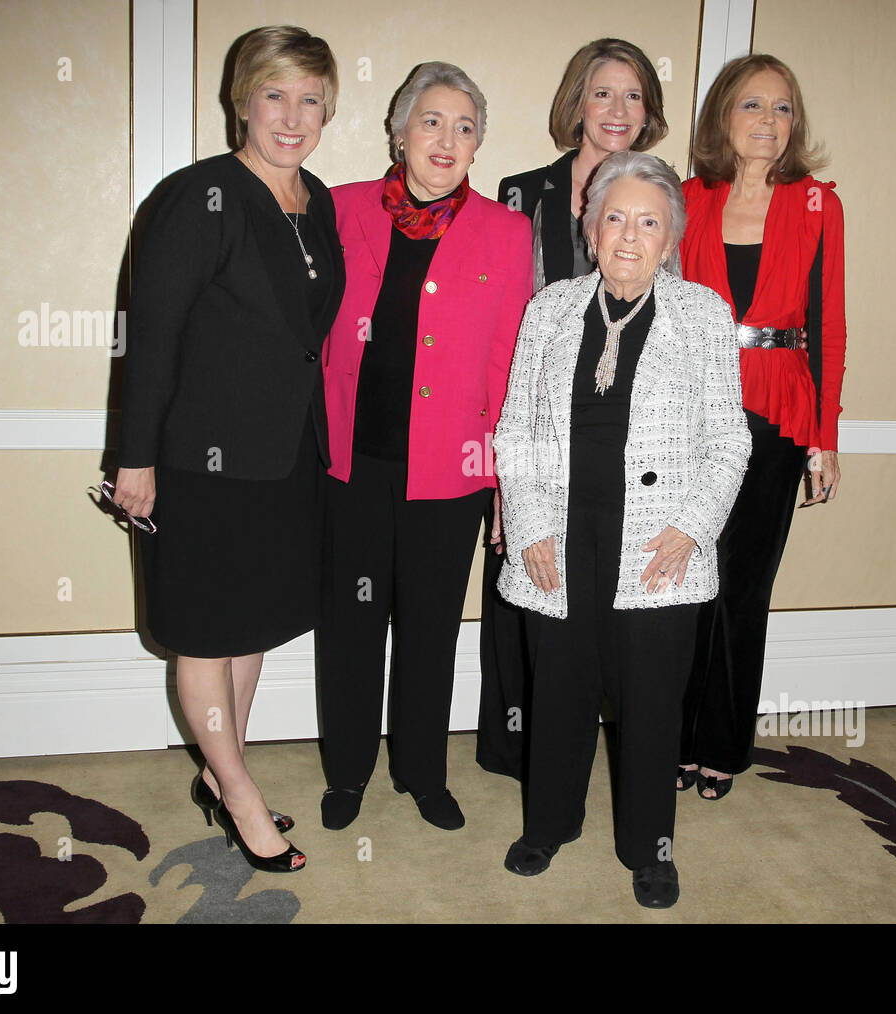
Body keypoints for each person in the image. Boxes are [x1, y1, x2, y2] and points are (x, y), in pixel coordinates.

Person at [113, 26, 344, 874]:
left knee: (250, 627)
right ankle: (241, 797)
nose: (292, 116)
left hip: (285, 459)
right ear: (241, 101)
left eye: (310, 98)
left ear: (329, 109)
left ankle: (223, 770)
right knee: (206, 635)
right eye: (275, 95)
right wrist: (134, 459)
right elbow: (153, 339)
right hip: (199, 459)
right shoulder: (196, 198)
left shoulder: (314, 200)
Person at [494, 151, 751, 908]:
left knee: (649, 703)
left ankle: (651, 848)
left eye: (649, 222)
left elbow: (730, 441)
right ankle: (548, 823)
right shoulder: (549, 308)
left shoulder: (704, 315)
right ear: (590, 225)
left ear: (671, 236)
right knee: (560, 691)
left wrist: (694, 527)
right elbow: (514, 428)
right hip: (562, 535)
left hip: (657, 544)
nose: (630, 237)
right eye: (615, 218)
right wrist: (532, 522)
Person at [317, 62, 532, 832]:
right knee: (351, 625)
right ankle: (347, 773)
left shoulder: (508, 234)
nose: (447, 140)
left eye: (465, 127)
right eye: (432, 121)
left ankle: (421, 772)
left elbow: (510, 363)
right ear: (399, 130)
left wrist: (509, 482)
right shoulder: (335, 210)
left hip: (454, 471)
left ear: (477, 147)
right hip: (353, 464)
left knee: (432, 627)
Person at [477, 38, 669, 782]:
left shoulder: (660, 191)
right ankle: (518, 749)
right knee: (524, 579)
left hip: (625, 430)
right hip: (535, 420)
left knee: (618, 599)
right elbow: (503, 321)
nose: (617, 110)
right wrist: (504, 478)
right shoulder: (523, 192)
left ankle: (608, 750)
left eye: (633, 96)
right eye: (602, 93)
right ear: (576, 104)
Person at [676, 54, 846, 800]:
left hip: (777, 409)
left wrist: (826, 435)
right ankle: (672, 735)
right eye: (753, 106)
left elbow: (828, 325)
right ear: (724, 116)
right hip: (691, 408)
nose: (768, 123)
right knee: (680, 579)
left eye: (782, 109)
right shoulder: (687, 197)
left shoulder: (817, 204)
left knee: (743, 587)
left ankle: (722, 746)